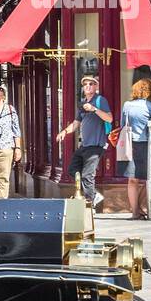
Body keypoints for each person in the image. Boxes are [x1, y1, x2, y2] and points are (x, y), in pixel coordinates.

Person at [56, 74, 112, 208]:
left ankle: (89, 203)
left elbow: (109, 118)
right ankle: (93, 194)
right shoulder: (83, 103)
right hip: (85, 145)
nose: (88, 86)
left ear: (96, 87)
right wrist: (64, 131)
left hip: (96, 144)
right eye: (85, 84)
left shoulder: (100, 100)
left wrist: (94, 109)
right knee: (73, 170)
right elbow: (76, 124)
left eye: (91, 84)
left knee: (87, 175)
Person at [120, 79, 151, 220]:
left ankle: (135, 211)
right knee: (150, 179)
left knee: (132, 180)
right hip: (147, 144)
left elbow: (123, 124)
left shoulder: (127, 105)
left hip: (130, 144)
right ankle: (141, 207)